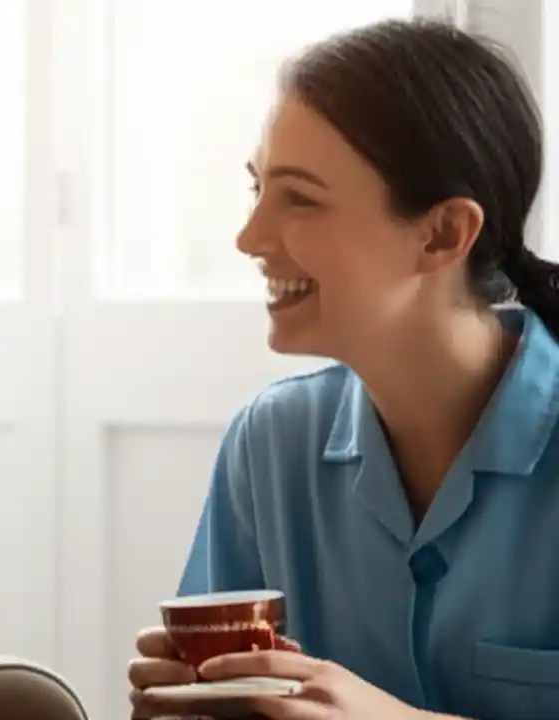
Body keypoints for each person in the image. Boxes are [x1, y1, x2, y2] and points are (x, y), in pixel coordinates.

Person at [128, 17, 559, 720]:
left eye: (298, 197)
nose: (249, 237)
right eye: (256, 188)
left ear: (444, 233)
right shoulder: (270, 445)